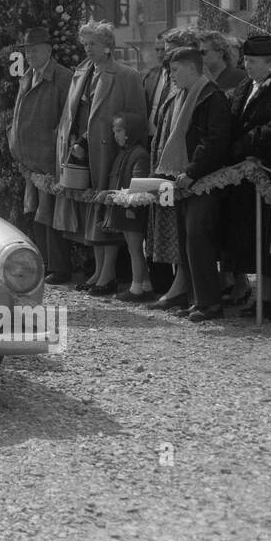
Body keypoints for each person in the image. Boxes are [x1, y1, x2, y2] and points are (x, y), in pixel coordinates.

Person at [56, 21, 146, 294]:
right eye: (85, 44)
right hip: (85, 151)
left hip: (111, 152)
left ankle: (108, 274)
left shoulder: (126, 75)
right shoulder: (82, 74)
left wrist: (126, 152)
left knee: (106, 209)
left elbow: (137, 118)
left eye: (92, 44)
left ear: (108, 46)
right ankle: (98, 270)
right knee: (91, 208)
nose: (88, 49)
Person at [149, 47, 232, 322]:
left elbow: (215, 140)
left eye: (176, 70)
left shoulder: (211, 96)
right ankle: (195, 299)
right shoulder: (183, 96)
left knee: (199, 240)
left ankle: (210, 303)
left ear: (192, 68)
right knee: (187, 240)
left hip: (204, 182)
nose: (171, 75)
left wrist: (193, 170)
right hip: (184, 181)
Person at [223, 34, 271, 319]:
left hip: (270, 171)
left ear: (270, 63)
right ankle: (262, 297)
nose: (247, 66)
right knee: (256, 237)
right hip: (246, 174)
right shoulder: (246, 85)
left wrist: (241, 146)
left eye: (253, 62)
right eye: (245, 61)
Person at [7, 27, 73, 284]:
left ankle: (59, 266)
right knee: (35, 214)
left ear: (48, 49)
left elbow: (68, 120)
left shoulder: (63, 78)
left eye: (34, 50)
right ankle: (44, 263)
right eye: (27, 51)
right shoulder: (27, 77)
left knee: (51, 216)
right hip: (30, 160)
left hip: (49, 160)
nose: (29, 55)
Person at [145, 27, 200, 301]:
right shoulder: (164, 77)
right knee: (164, 221)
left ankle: (182, 284)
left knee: (179, 225)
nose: (165, 52)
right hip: (162, 160)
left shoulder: (192, 83)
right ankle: (169, 281)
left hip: (180, 167)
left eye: (171, 47)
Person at [93, 112, 152, 301]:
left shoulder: (139, 154)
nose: (115, 135)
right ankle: (146, 284)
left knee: (135, 248)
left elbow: (137, 185)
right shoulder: (125, 153)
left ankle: (136, 289)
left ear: (130, 132)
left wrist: (111, 195)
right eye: (114, 131)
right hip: (124, 206)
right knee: (133, 248)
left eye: (119, 130)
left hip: (133, 208)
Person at [199, 30, 247, 97]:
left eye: (203, 52)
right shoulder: (199, 80)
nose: (200, 56)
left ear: (220, 54)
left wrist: (212, 85)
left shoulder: (241, 78)